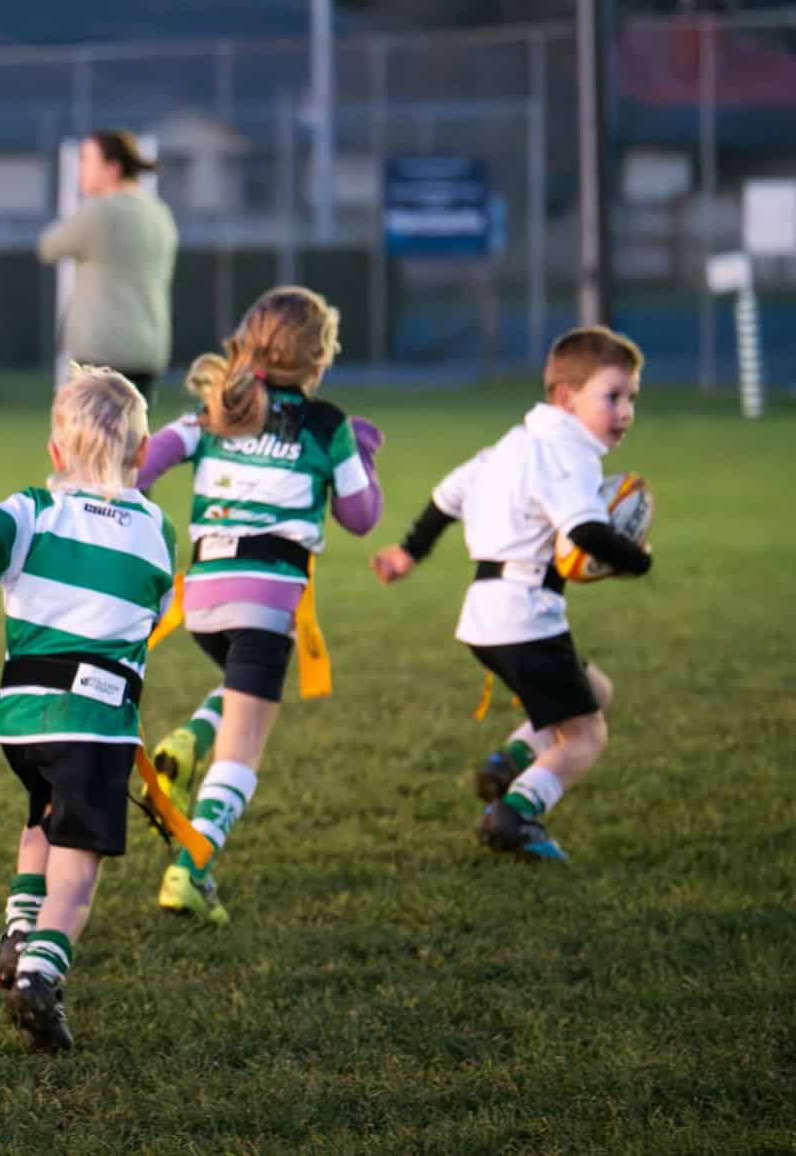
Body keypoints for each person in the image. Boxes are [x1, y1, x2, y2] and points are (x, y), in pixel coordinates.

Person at [0, 365, 172, 1053]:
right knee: (78, 871)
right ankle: (40, 972)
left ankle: (20, 927)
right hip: (96, 720)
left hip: (21, 717)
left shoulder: (34, 509)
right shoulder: (157, 527)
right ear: (141, 456)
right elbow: (153, 611)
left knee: (42, 818)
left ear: (55, 455)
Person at [133, 286, 384, 926]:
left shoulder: (217, 410)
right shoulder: (327, 425)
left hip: (205, 601)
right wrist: (364, 454)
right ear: (319, 356)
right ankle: (190, 871)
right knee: (243, 756)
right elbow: (360, 518)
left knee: (239, 691)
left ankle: (187, 741)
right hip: (268, 602)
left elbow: (141, 465)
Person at [372, 327, 649, 862]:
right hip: (527, 615)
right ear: (567, 399)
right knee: (587, 736)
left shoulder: (513, 443)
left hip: (483, 617)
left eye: (631, 398)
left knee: (598, 692)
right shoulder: (569, 451)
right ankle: (515, 814)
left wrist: (409, 552)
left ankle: (509, 763)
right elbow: (588, 532)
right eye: (612, 397)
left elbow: (445, 497)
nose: (625, 412)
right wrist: (637, 559)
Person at [35, 130, 177, 394]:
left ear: (111, 169)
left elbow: (48, 246)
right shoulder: (160, 214)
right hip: (149, 349)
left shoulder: (99, 212)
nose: (81, 170)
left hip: (100, 349)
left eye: (87, 160)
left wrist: (84, 209)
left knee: (91, 435)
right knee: (133, 432)